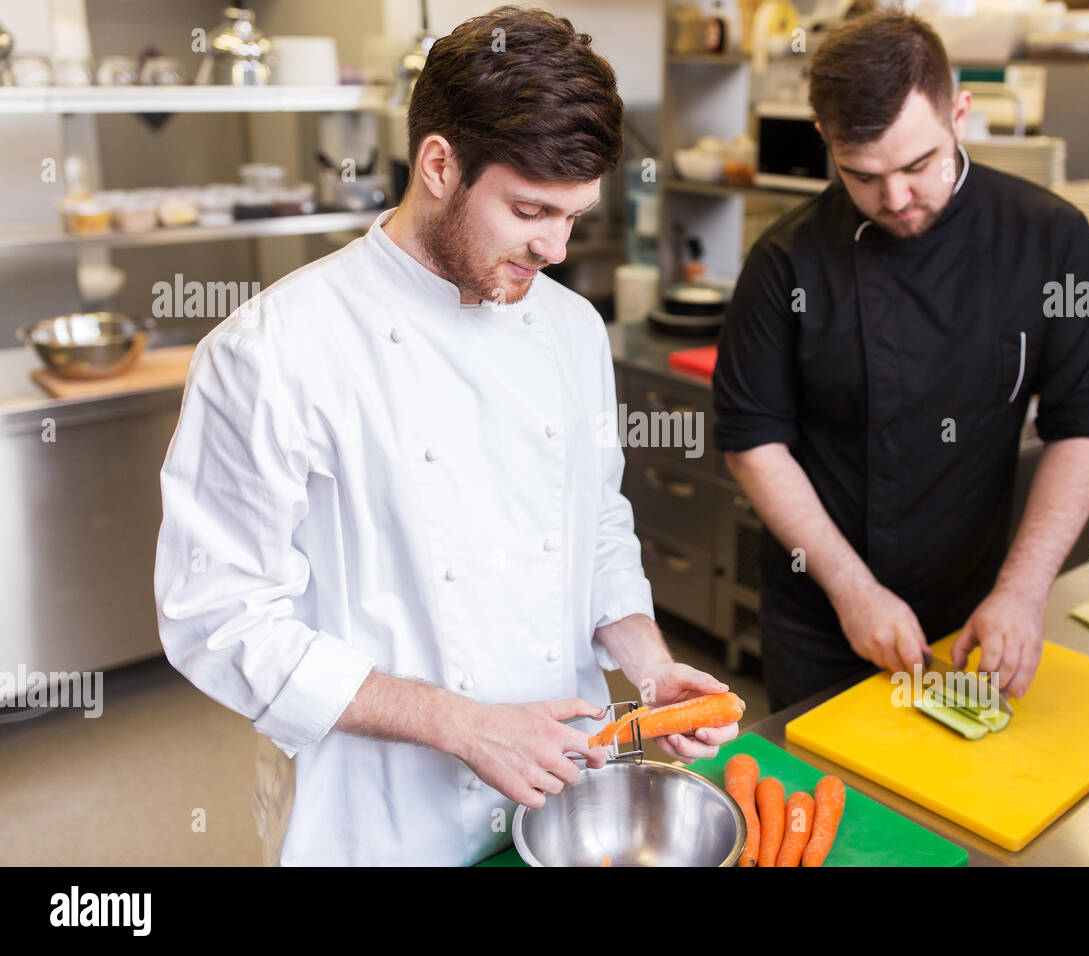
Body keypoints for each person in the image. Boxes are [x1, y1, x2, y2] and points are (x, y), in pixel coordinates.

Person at [154, 5, 738, 866]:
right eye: (531, 210)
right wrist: (463, 726)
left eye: (574, 216)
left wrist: (648, 665)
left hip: (565, 789)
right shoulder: (271, 352)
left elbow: (596, 524)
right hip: (380, 817)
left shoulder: (572, 330)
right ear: (439, 164)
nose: (556, 248)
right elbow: (219, 618)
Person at [713, 11, 1089, 712]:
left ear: (959, 114)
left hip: (976, 607)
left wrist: (1023, 592)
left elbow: (1084, 423)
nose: (897, 199)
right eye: (863, 176)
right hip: (822, 609)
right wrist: (852, 590)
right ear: (826, 141)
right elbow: (754, 442)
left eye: (917, 165)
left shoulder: (1053, 237)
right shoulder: (784, 258)